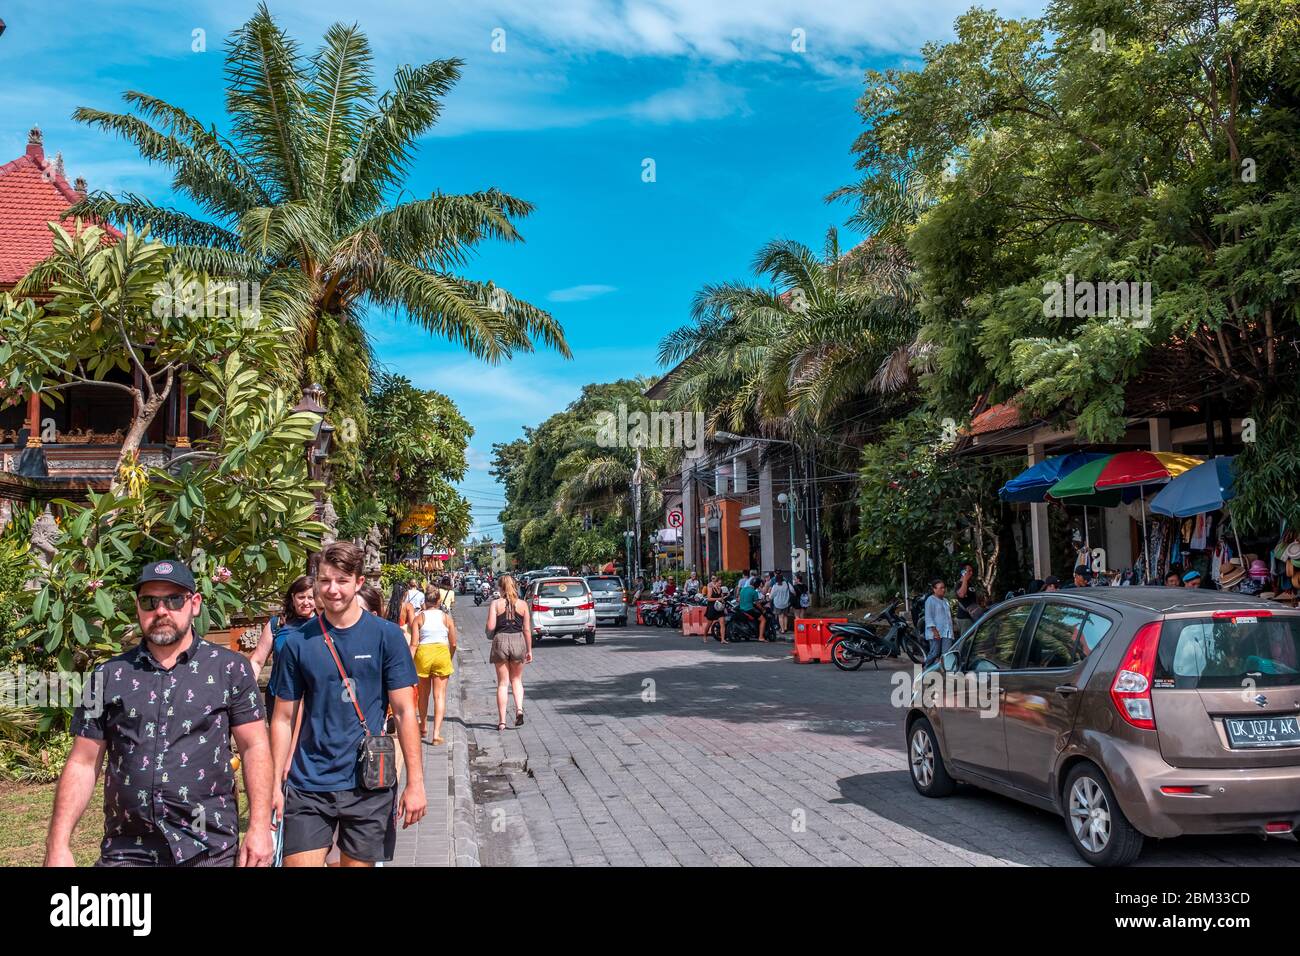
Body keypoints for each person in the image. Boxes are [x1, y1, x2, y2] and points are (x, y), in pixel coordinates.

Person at [45, 559, 273, 867]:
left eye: (174, 599)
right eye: (150, 601)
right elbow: (83, 761)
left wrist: (258, 827)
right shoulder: (108, 676)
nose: (161, 610)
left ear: (194, 603)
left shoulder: (229, 668)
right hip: (128, 851)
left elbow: (254, 746)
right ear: (137, 607)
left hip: (207, 846)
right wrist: (58, 845)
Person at [271, 542, 425, 867]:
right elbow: (283, 718)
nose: (332, 589)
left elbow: (405, 711)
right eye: (325, 581)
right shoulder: (297, 641)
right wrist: (273, 786)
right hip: (308, 783)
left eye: (342, 580)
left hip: (368, 783)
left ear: (358, 582)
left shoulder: (387, 636)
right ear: (315, 583)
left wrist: (416, 783)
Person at [250, 575, 315, 717]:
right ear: (293, 598)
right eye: (301, 597)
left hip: (312, 698)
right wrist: (246, 689)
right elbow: (257, 661)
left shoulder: (322, 625)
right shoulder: (277, 624)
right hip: (279, 696)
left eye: (311, 597)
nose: (306, 602)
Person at [409, 585, 457, 745]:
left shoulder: (419, 618)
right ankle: (436, 734)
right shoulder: (446, 618)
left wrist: (408, 662)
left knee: (423, 694)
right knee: (440, 695)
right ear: (438, 601)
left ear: (425, 601)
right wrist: (449, 656)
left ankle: (423, 725)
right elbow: (454, 643)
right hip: (442, 652)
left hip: (424, 654)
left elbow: (414, 644)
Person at [486, 574, 532, 732]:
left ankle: (502, 722)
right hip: (518, 641)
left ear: (500, 587)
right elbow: (526, 629)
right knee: (517, 680)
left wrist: (488, 631)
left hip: (500, 641)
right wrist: (529, 650)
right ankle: (519, 709)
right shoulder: (523, 604)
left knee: (502, 683)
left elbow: (491, 627)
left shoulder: (495, 604)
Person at [923, 577, 954, 667]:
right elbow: (929, 617)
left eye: (944, 587)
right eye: (940, 588)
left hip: (947, 632)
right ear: (934, 589)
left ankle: (945, 672)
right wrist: (935, 631)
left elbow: (948, 617)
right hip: (935, 632)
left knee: (946, 654)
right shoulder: (930, 600)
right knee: (934, 653)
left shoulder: (946, 601)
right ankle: (926, 668)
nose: (943, 590)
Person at [736, 574, 767, 641]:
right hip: (749, 609)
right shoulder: (754, 592)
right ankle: (761, 637)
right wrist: (763, 609)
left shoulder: (743, 589)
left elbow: (739, 599)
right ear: (757, 585)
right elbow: (757, 604)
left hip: (741, 609)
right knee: (763, 620)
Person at [954, 563, 981, 636]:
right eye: (969, 571)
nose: (971, 573)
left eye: (972, 571)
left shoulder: (970, 584)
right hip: (965, 618)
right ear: (963, 572)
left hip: (973, 616)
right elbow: (962, 594)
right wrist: (965, 578)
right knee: (966, 641)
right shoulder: (959, 584)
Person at [704, 574, 728, 643]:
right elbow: (709, 599)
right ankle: (705, 636)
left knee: (722, 622)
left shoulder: (721, 589)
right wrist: (718, 598)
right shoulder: (711, 588)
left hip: (719, 608)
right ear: (716, 582)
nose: (720, 584)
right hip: (712, 607)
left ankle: (722, 639)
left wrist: (723, 600)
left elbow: (722, 598)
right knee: (709, 623)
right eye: (719, 583)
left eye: (721, 583)